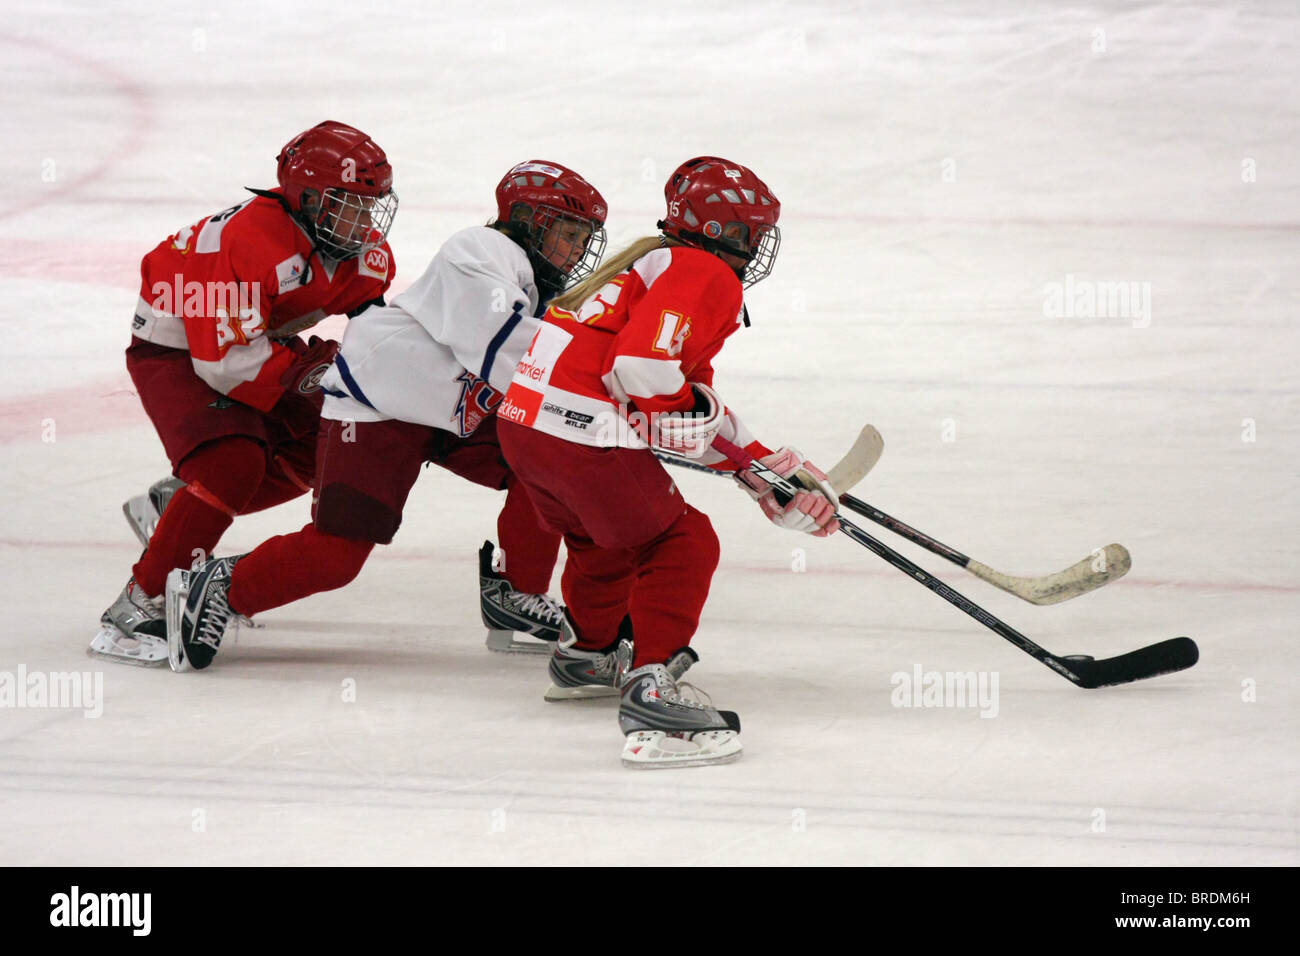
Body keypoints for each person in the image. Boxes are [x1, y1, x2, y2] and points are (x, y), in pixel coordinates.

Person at [164, 161, 608, 673]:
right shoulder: (480, 252)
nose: (577, 251)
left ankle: (515, 592)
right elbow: (504, 347)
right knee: (336, 557)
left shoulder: (534, 280)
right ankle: (218, 584)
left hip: (447, 409)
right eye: (570, 235)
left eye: (583, 238)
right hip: (377, 407)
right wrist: (597, 402)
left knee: (550, 464)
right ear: (530, 220)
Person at [494, 156, 841, 769]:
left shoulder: (649, 260)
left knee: (600, 545)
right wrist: (740, 463)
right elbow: (644, 375)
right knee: (682, 542)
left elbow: (681, 393)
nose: (758, 246)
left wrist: (764, 465)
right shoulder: (703, 271)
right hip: (580, 430)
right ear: (728, 234)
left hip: (526, 425)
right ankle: (652, 690)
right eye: (753, 233)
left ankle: (589, 658)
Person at [90, 121, 398, 666]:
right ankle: (139, 603)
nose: (364, 221)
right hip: (179, 347)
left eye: (370, 206)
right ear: (305, 198)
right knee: (232, 463)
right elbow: (221, 363)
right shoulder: (249, 241)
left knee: (316, 450)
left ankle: (175, 512)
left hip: (245, 340)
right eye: (349, 204)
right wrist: (309, 376)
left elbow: (373, 328)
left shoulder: (357, 250)